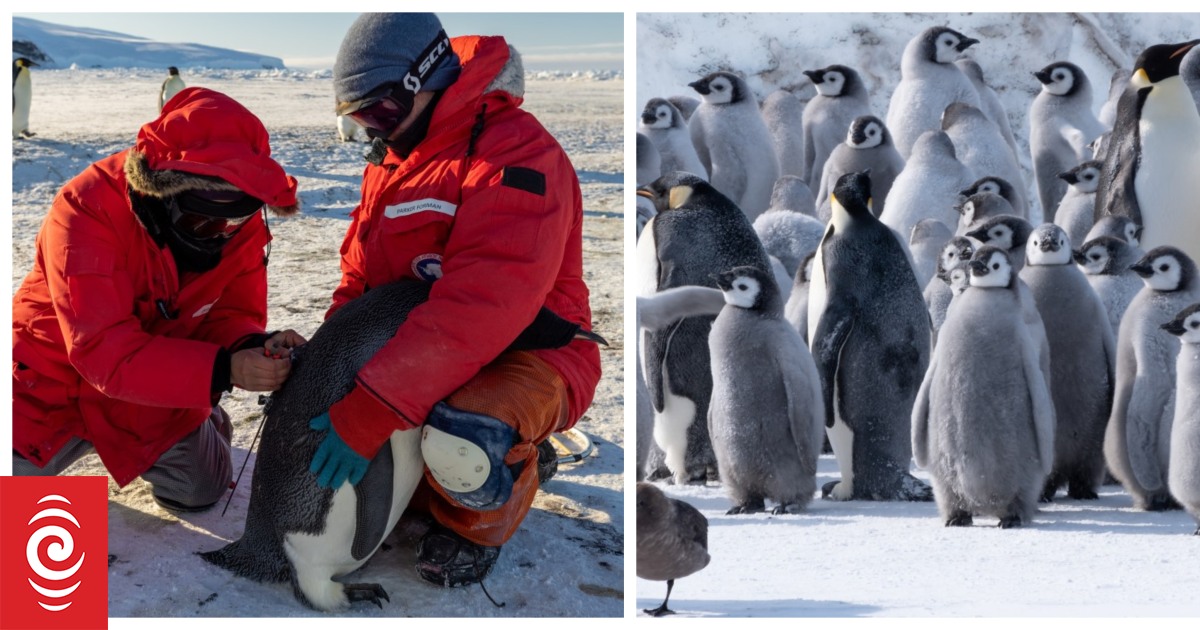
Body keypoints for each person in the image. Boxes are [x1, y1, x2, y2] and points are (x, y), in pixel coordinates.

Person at [315, 13, 602, 587]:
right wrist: (327, 359)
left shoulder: (518, 158)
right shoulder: (399, 159)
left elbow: (481, 305)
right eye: (360, 120)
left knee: (460, 441)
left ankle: (478, 521)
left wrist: (371, 408)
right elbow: (361, 278)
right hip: (430, 353)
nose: (377, 133)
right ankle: (511, 458)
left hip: (531, 354)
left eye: (382, 113)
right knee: (365, 440)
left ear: (426, 79)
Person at [12, 87, 306, 514]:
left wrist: (249, 345)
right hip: (50, 383)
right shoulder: (87, 207)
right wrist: (223, 369)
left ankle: (200, 419)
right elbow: (102, 352)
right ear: (161, 195)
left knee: (201, 491)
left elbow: (232, 315)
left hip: (152, 387)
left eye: (235, 218)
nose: (220, 230)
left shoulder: (238, 231)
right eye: (199, 219)